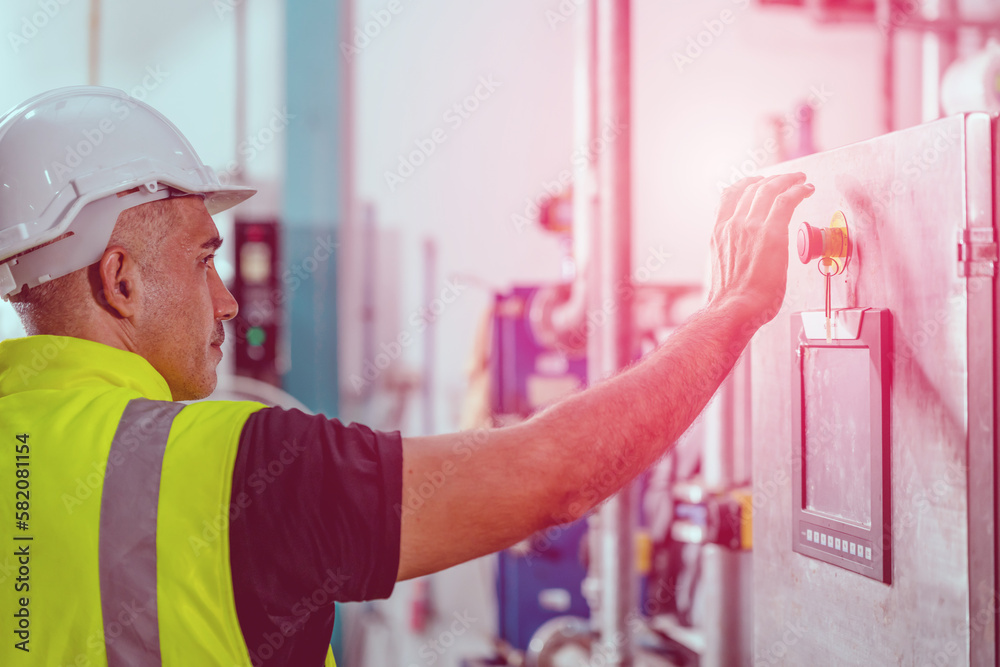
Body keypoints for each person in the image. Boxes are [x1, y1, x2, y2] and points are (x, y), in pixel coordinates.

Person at [0, 86, 812, 666]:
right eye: (204, 258)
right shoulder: (233, 465)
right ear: (121, 280)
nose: (224, 300)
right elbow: (550, 476)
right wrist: (733, 309)